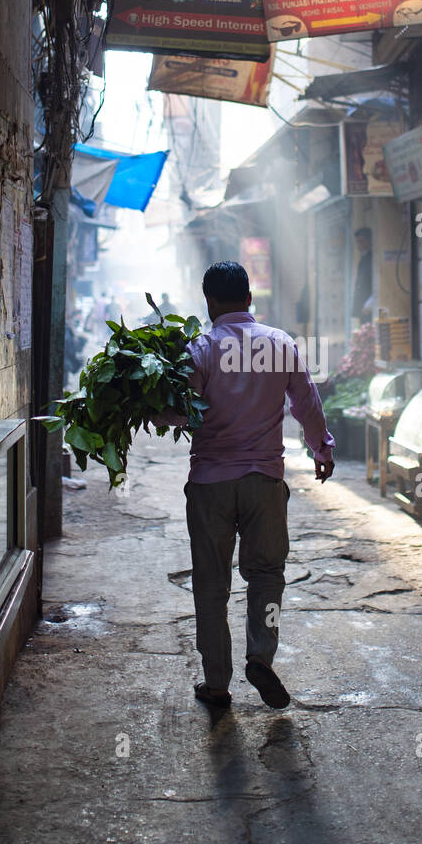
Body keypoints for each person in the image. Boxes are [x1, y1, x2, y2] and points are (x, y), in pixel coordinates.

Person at [159, 261, 335, 711]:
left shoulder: (199, 348)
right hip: (265, 481)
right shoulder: (280, 344)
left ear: (210, 302)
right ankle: (260, 654)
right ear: (250, 299)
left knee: (211, 584)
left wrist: (149, 406)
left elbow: (181, 414)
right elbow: (306, 402)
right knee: (266, 575)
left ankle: (217, 683)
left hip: (211, 482)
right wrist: (321, 448)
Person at [352, 227, 373, 324]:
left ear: (369, 241)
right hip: (362, 307)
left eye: (361, 241)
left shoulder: (371, 259)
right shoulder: (363, 259)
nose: (359, 245)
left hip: (368, 308)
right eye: (357, 242)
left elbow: (374, 283)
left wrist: (369, 303)